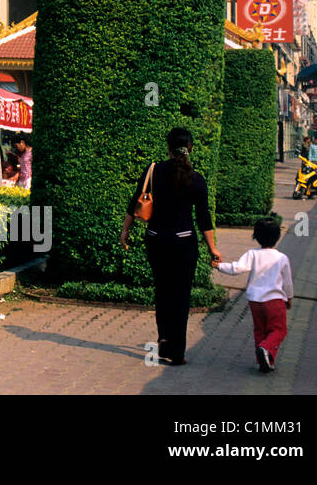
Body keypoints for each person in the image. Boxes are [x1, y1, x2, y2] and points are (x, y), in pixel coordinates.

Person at [120, 127, 221, 366]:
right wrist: (212, 248)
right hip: (184, 244)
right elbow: (203, 218)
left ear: (168, 148)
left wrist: (125, 230)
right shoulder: (196, 180)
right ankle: (177, 351)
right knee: (181, 296)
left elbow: (135, 202)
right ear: (190, 149)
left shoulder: (153, 171)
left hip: (157, 241)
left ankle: (164, 339)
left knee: (163, 291)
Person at [212, 217, 294, 373]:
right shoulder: (282, 258)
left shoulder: (252, 254)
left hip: (255, 301)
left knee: (260, 330)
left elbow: (236, 268)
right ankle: (266, 349)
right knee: (279, 330)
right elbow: (288, 282)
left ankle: (264, 361)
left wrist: (219, 266)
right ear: (278, 236)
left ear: (256, 236)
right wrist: (289, 297)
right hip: (275, 301)